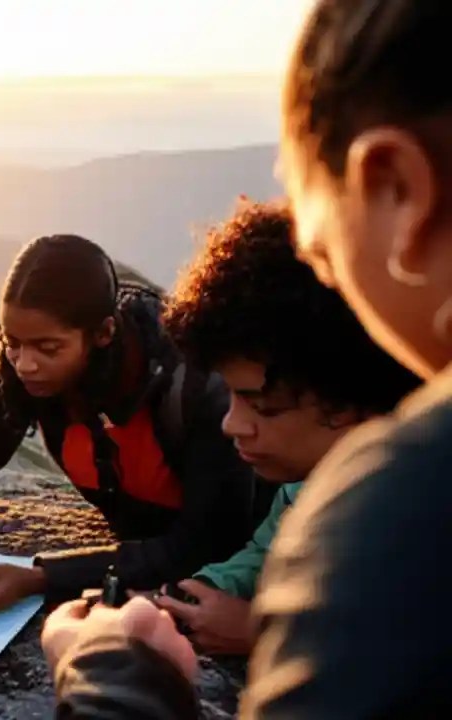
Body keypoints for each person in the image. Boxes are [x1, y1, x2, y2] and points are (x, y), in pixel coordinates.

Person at [46, 1, 452, 716]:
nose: (327, 274)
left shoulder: (407, 505)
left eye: (324, 237)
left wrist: (112, 674)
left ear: (399, 186)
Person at [0, 234, 261, 609]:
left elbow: (207, 543)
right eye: (12, 343)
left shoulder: (194, 390)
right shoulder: (35, 376)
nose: (25, 364)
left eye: (48, 348)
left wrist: (43, 577)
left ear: (103, 333)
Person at [150, 200, 419, 657]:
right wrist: (188, 598)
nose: (232, 424)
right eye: (233, 397)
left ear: (352, 398)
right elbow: (267, 554)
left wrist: (267, 635)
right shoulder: (307, 481)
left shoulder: (426, 502)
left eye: (265, 409)